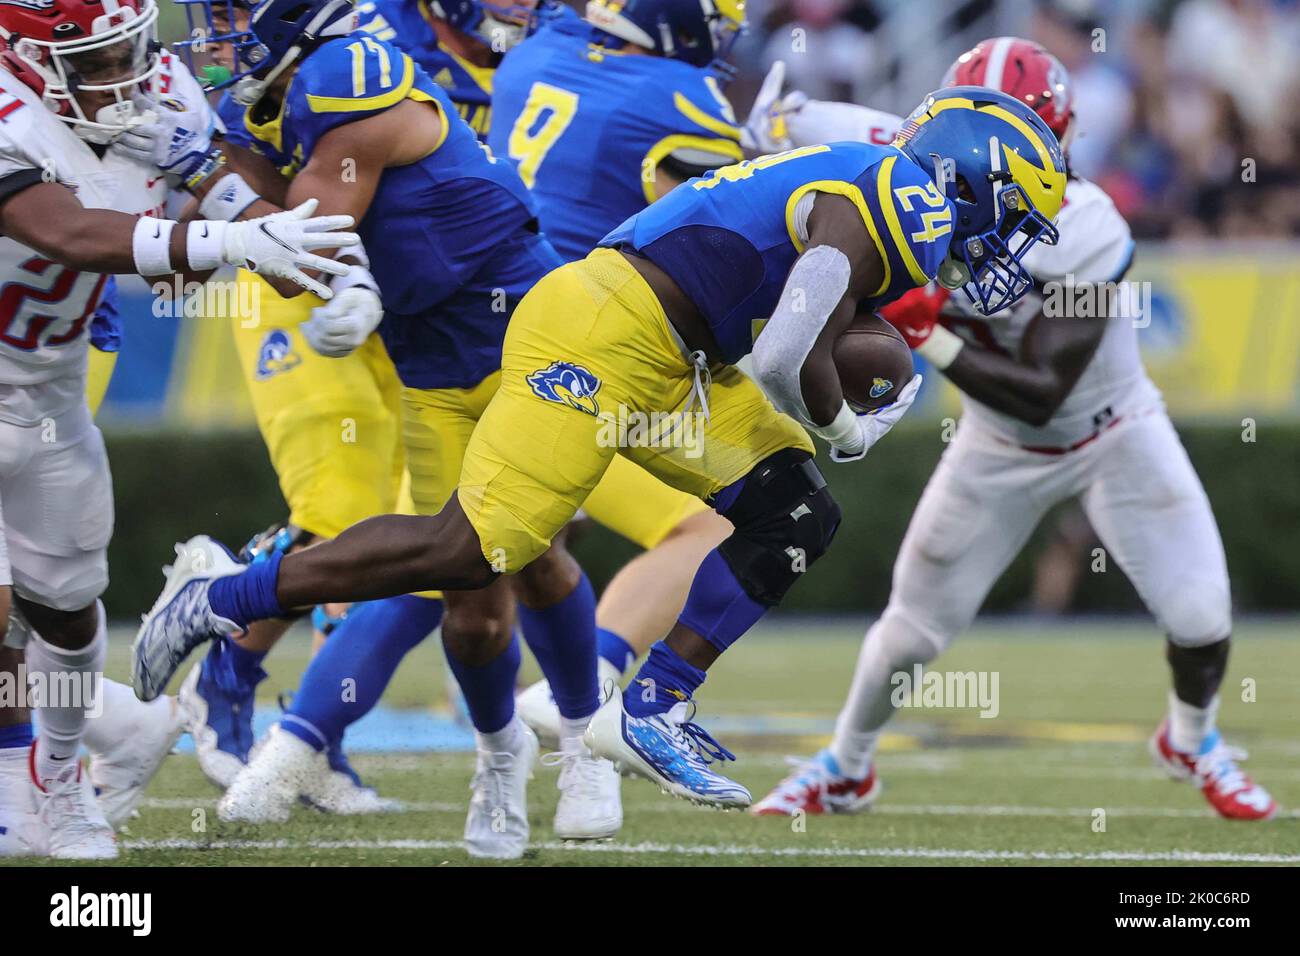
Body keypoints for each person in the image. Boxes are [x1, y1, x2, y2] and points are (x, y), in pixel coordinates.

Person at [134, 80, 1068, 808]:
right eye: (1013, 214)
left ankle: (652, 707)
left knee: (793, 510)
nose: (1007, 245)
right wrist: (845, 425)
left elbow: (795, 325)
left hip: (678, 358)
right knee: (468, 551)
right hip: (607, 334)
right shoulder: (903, 194)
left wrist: (872, 372)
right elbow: (790, 355)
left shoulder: (876, 180)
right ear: (970, 174)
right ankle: (220, 596)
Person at [749, 38, 1275, 822]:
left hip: (1112, 428)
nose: (1002, 155)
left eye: (1025, 134)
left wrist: (929, 335)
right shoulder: (907, 156)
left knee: (1201, 616)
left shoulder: (1088, 225)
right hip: (998, 444)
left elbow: (1043, 391)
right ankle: (847, 767)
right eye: (982, 130)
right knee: (911, 631)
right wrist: (762, 131)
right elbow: (782, 126)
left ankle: (1192, 739)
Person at [0, 0, 357, 858]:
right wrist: (226, 245)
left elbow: (227, 218)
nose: (122, 74)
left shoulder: (159, 91)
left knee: (66, 608)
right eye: (93, 62)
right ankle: (24, 775)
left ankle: (64, 774)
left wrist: (329, 269)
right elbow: (67, 232)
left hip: (47, 385)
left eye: (128, 48)